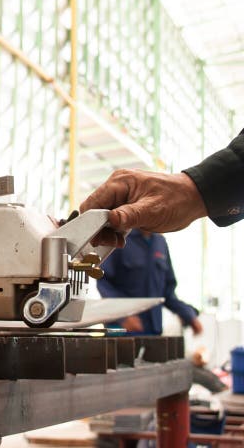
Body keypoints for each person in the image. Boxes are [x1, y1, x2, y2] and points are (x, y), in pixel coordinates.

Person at [81, 130, 244, 245]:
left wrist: (192, 190)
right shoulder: (129, 238)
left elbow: (169, 284)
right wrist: (194, 190)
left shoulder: (158, 242)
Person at [98, 228, 202, 336]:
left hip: (152, 331)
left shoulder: (160, 243)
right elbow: (103, 282)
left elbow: (168, 292)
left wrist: (189, 316)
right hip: (121, 330)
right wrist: (123, 316)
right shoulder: (119, 239)